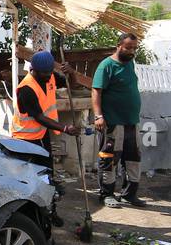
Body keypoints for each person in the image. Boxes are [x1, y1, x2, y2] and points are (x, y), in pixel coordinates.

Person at [91, 33, 143, 208]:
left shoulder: (129, 64)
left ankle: (129, 194)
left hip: (131, 121)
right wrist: (99, 116)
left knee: (133, 158)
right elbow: (96, 91)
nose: (131, 51)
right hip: (113, 122)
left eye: (134, 48)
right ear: (119, 45)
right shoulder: (106, 66)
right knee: (110, 158)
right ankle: (107, 194)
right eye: (128, 47)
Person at [13, 50, 80, 161]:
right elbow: (39, 117)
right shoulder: (26, 89)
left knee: (47, 171)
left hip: (41, 134)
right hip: (24, 138)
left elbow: (71, 86)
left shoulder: (50, 76)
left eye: (50, 72)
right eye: (44, 73)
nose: (48, 76)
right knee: (32, 173)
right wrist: (65, 128)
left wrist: (72, 73)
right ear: (33, 70)